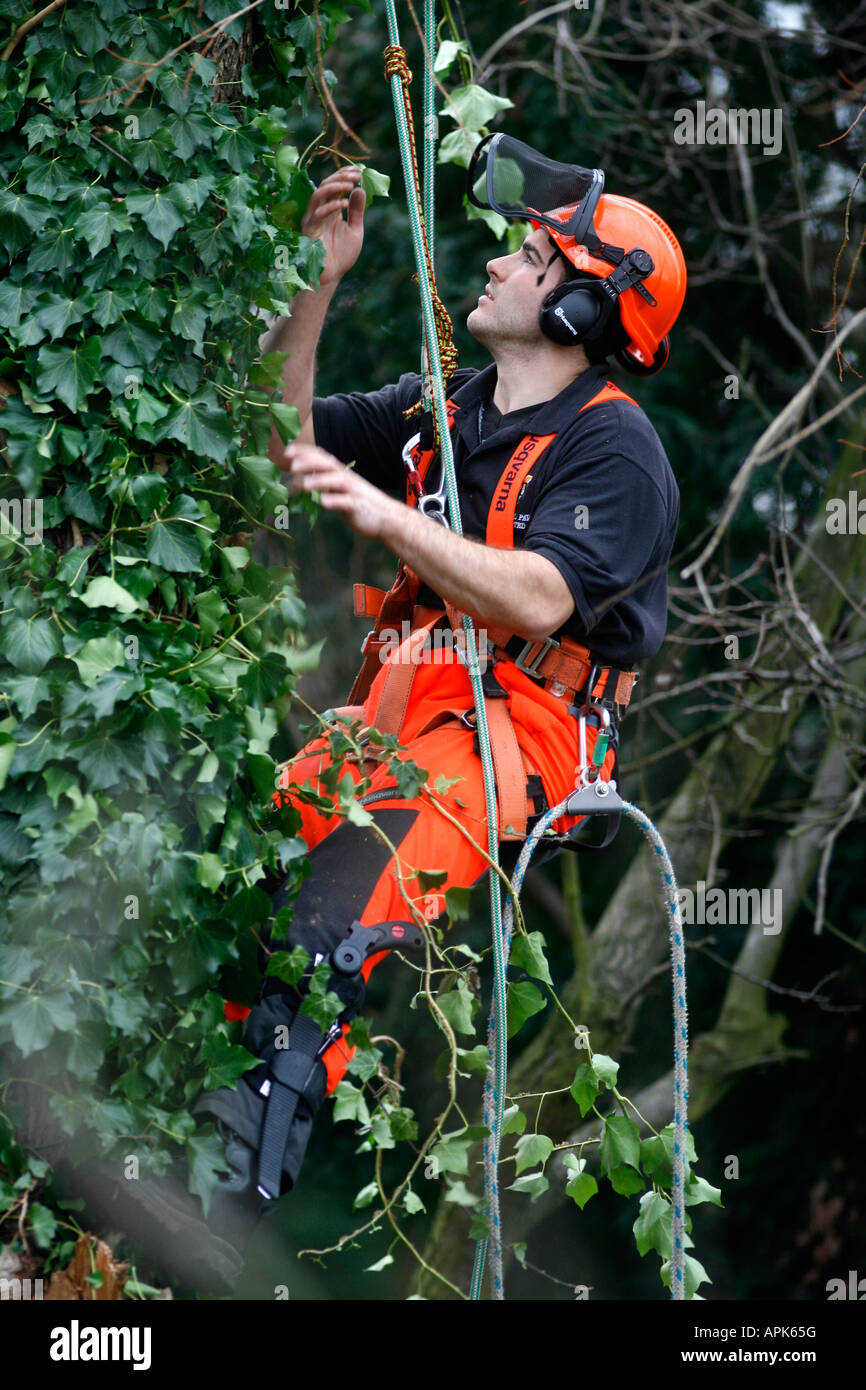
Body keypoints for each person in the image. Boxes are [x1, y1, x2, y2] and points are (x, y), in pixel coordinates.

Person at [98, 142, 686, 1293]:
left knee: (339, 904)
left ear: (577, 304)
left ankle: (222, 1197)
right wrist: (317, 277)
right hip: (398, 716)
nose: (496, 262)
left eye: (527, 257)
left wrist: (387, 518)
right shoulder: (443, 405)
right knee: (242, 875)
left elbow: (537, 593)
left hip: (523, 738)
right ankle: (143, 1133)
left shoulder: (616, 449)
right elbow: (284, 440)